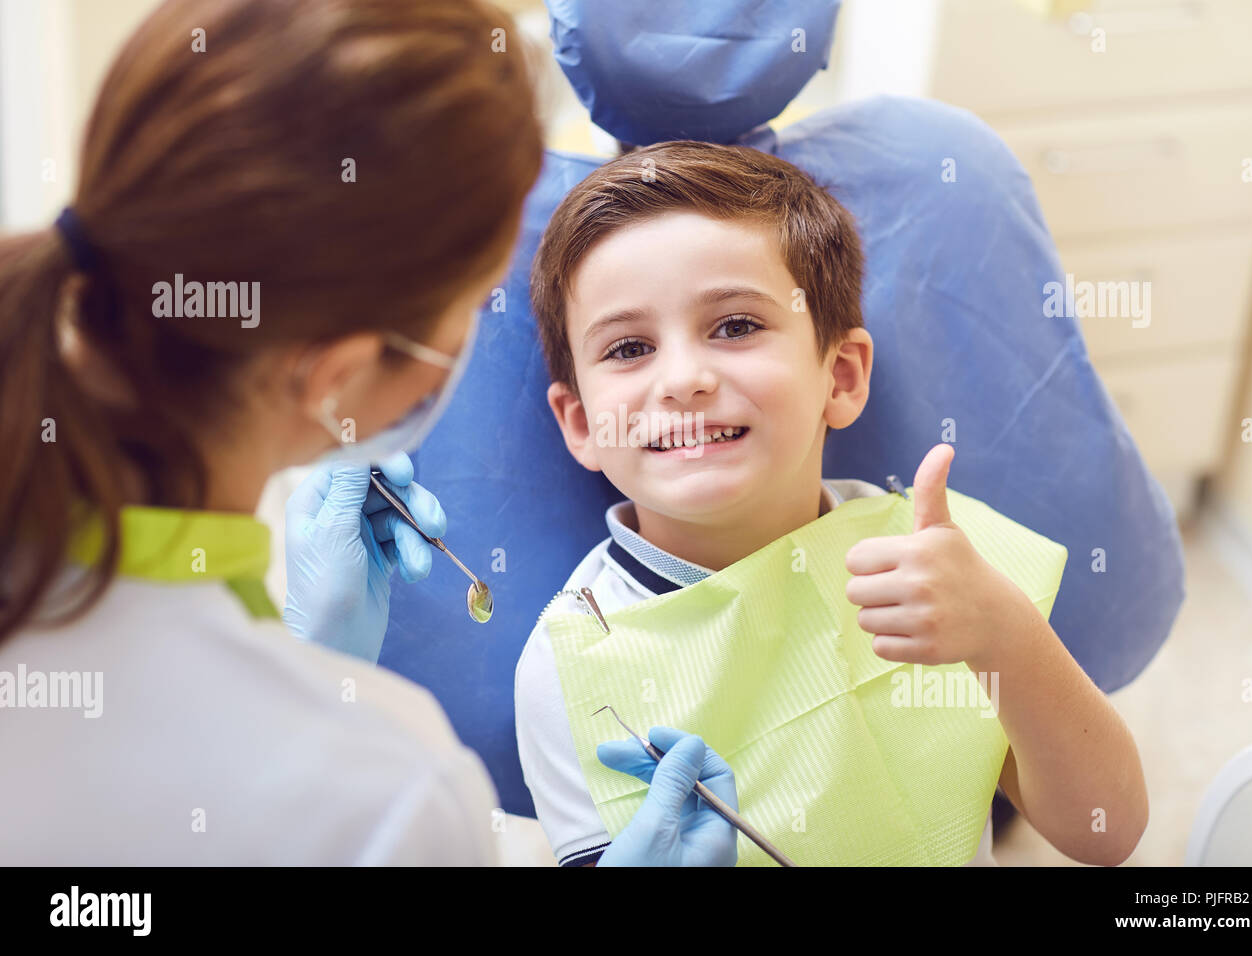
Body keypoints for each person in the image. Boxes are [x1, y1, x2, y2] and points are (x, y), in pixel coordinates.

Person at [0, 0, 737, 866]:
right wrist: (316, 696)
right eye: (472, 307)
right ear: (338, 378)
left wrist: (303, 665)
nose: (685, 379)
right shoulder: (390, 795)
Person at [515, 140, 1149, 866]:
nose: (683, 378)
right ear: (581, 424)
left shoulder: (941, 566)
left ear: (841, 375)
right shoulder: (571, 666)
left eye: (736, 326)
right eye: (629, 348)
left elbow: (1108, 831)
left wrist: (1004, 634)